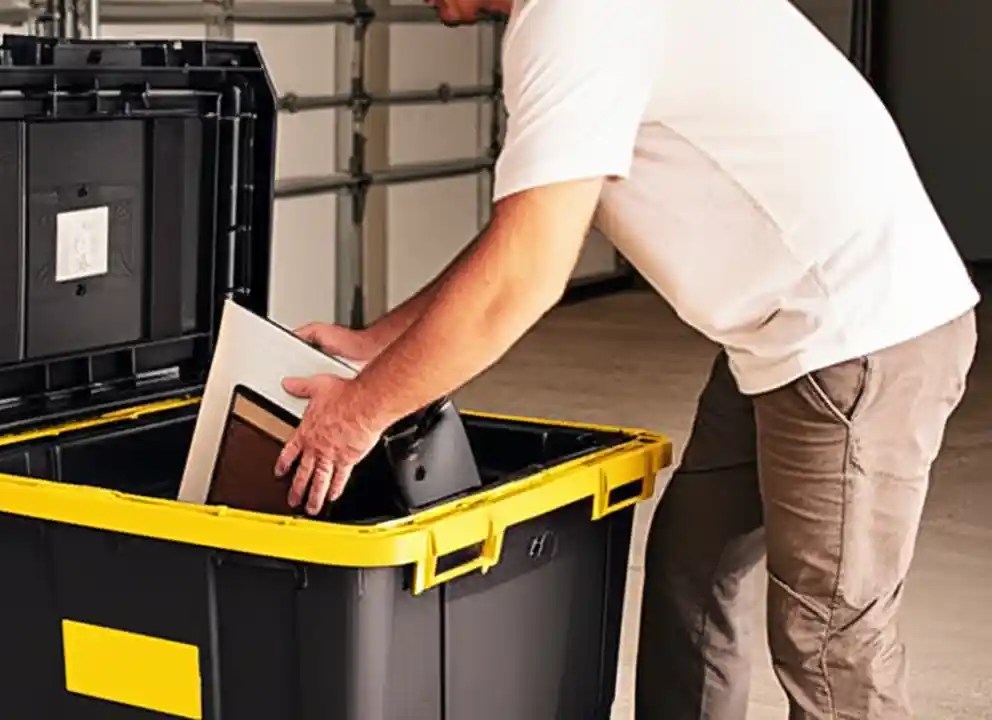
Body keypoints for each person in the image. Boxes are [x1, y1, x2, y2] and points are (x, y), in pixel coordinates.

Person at [272, 0, 979, 717]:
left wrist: (359, 413)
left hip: (857, 335)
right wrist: (377, 344)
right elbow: (522, 239)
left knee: (829, 644)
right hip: (780, 334)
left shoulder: (576, 17)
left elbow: (521, 279)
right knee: (692, 570)